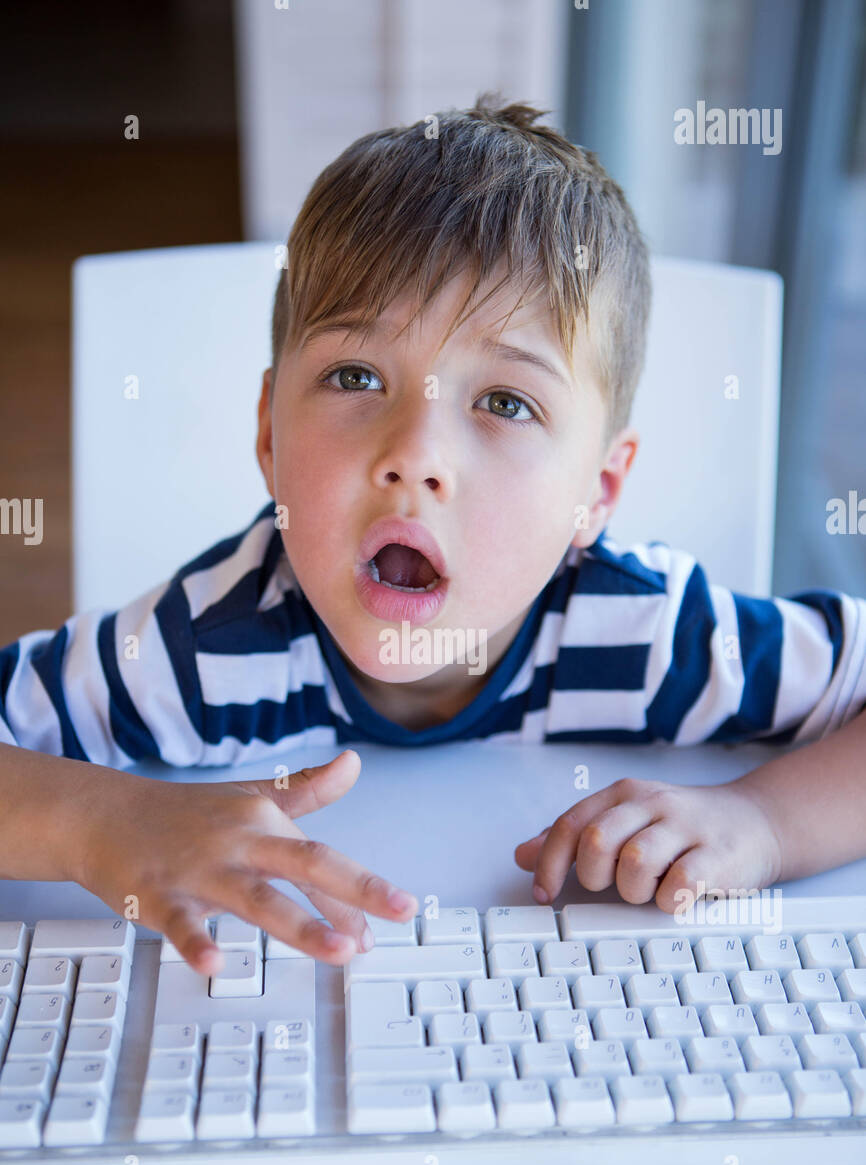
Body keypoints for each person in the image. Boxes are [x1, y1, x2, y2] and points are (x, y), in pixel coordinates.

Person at [2, 96, 864, 975]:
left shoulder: (647, 633)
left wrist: (763, 823)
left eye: (504, 402)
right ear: (269, 433)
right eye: (356, 375)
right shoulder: (201, 651)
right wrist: (101, 823)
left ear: (595, 493)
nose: (414, 457)